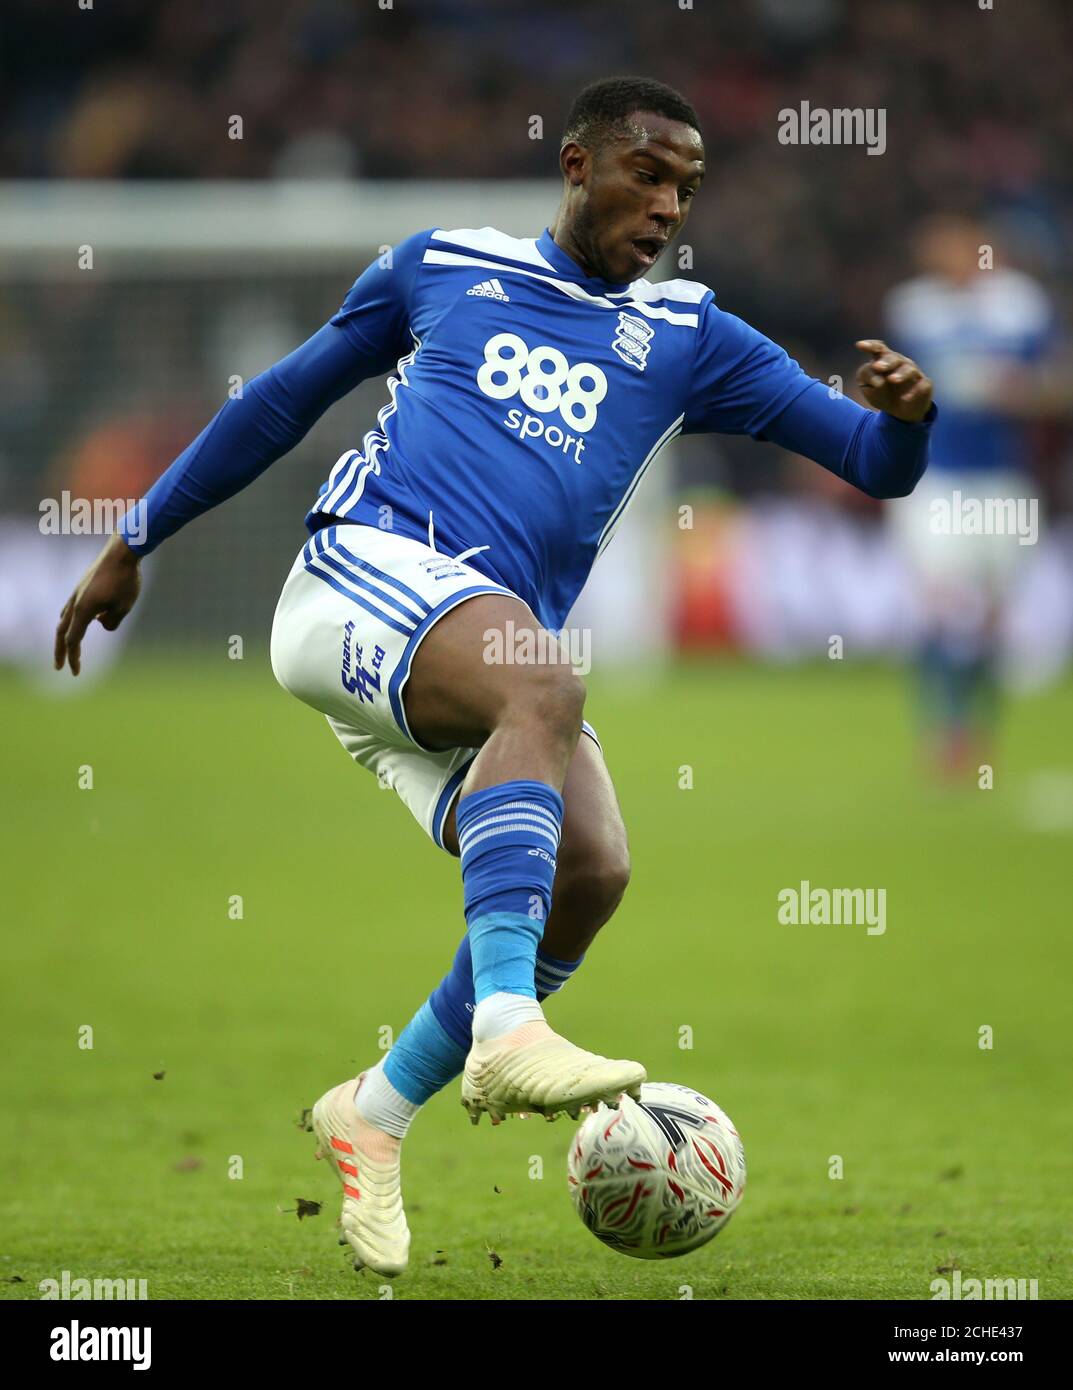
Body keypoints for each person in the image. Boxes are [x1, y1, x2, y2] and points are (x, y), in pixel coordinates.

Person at [54, 76, 934, 1276]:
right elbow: (278, 400)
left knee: (593, 864)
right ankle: (510, 1027)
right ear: (577, 166)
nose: (668, 205)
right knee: (544, 678)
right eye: (647, 174)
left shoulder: (690, 339)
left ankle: (374, 1108)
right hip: (360, 577)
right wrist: (136, 534)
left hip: (466, 651)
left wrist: (905, 424)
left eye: (687, 187)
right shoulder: (441, 265)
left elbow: (867, 462)